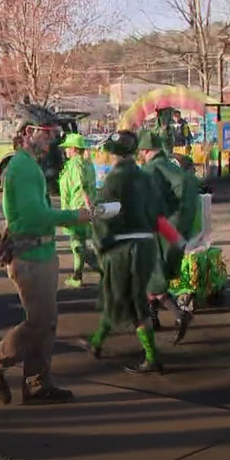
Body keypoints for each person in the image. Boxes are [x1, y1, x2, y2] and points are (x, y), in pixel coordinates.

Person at [0, 105, 92, 406]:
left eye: (53, 133)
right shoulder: (23, 168)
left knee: (47, 322)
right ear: (28, 133)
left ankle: (37, 384)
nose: (52, 139)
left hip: (40, 253)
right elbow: (33, 216)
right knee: (39, 322)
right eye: (47, 133)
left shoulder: (29, 166)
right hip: (30, 257)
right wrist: (74, 216)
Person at [82, 130, 171, 374]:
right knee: (121, 297)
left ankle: (152, 357)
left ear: (114, 155)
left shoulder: (114, 179)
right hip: (146, 245)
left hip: (123, 248)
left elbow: (103, 215)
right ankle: (96, 343)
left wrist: (99, 244)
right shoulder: (145, 177)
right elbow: (157, 212)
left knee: (129, 301)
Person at [137, 129, 196, 343]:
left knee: (151, 274)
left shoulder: (151, 169)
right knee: (154, 274)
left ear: (144, 151)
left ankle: (179, 314)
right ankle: (154, 318)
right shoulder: (172, 166)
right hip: (180, 228)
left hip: (161, 226)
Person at [58, 133, 96, 288]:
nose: (65, 150)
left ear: (74, 149)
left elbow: (81, 186)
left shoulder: (75, 165)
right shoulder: (87, 164)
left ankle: (80, 276)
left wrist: (87, 205)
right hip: (84, 208)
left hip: (77, 208)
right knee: (80, 244)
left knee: (78, 245)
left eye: (67, 148)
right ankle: (78, 275)